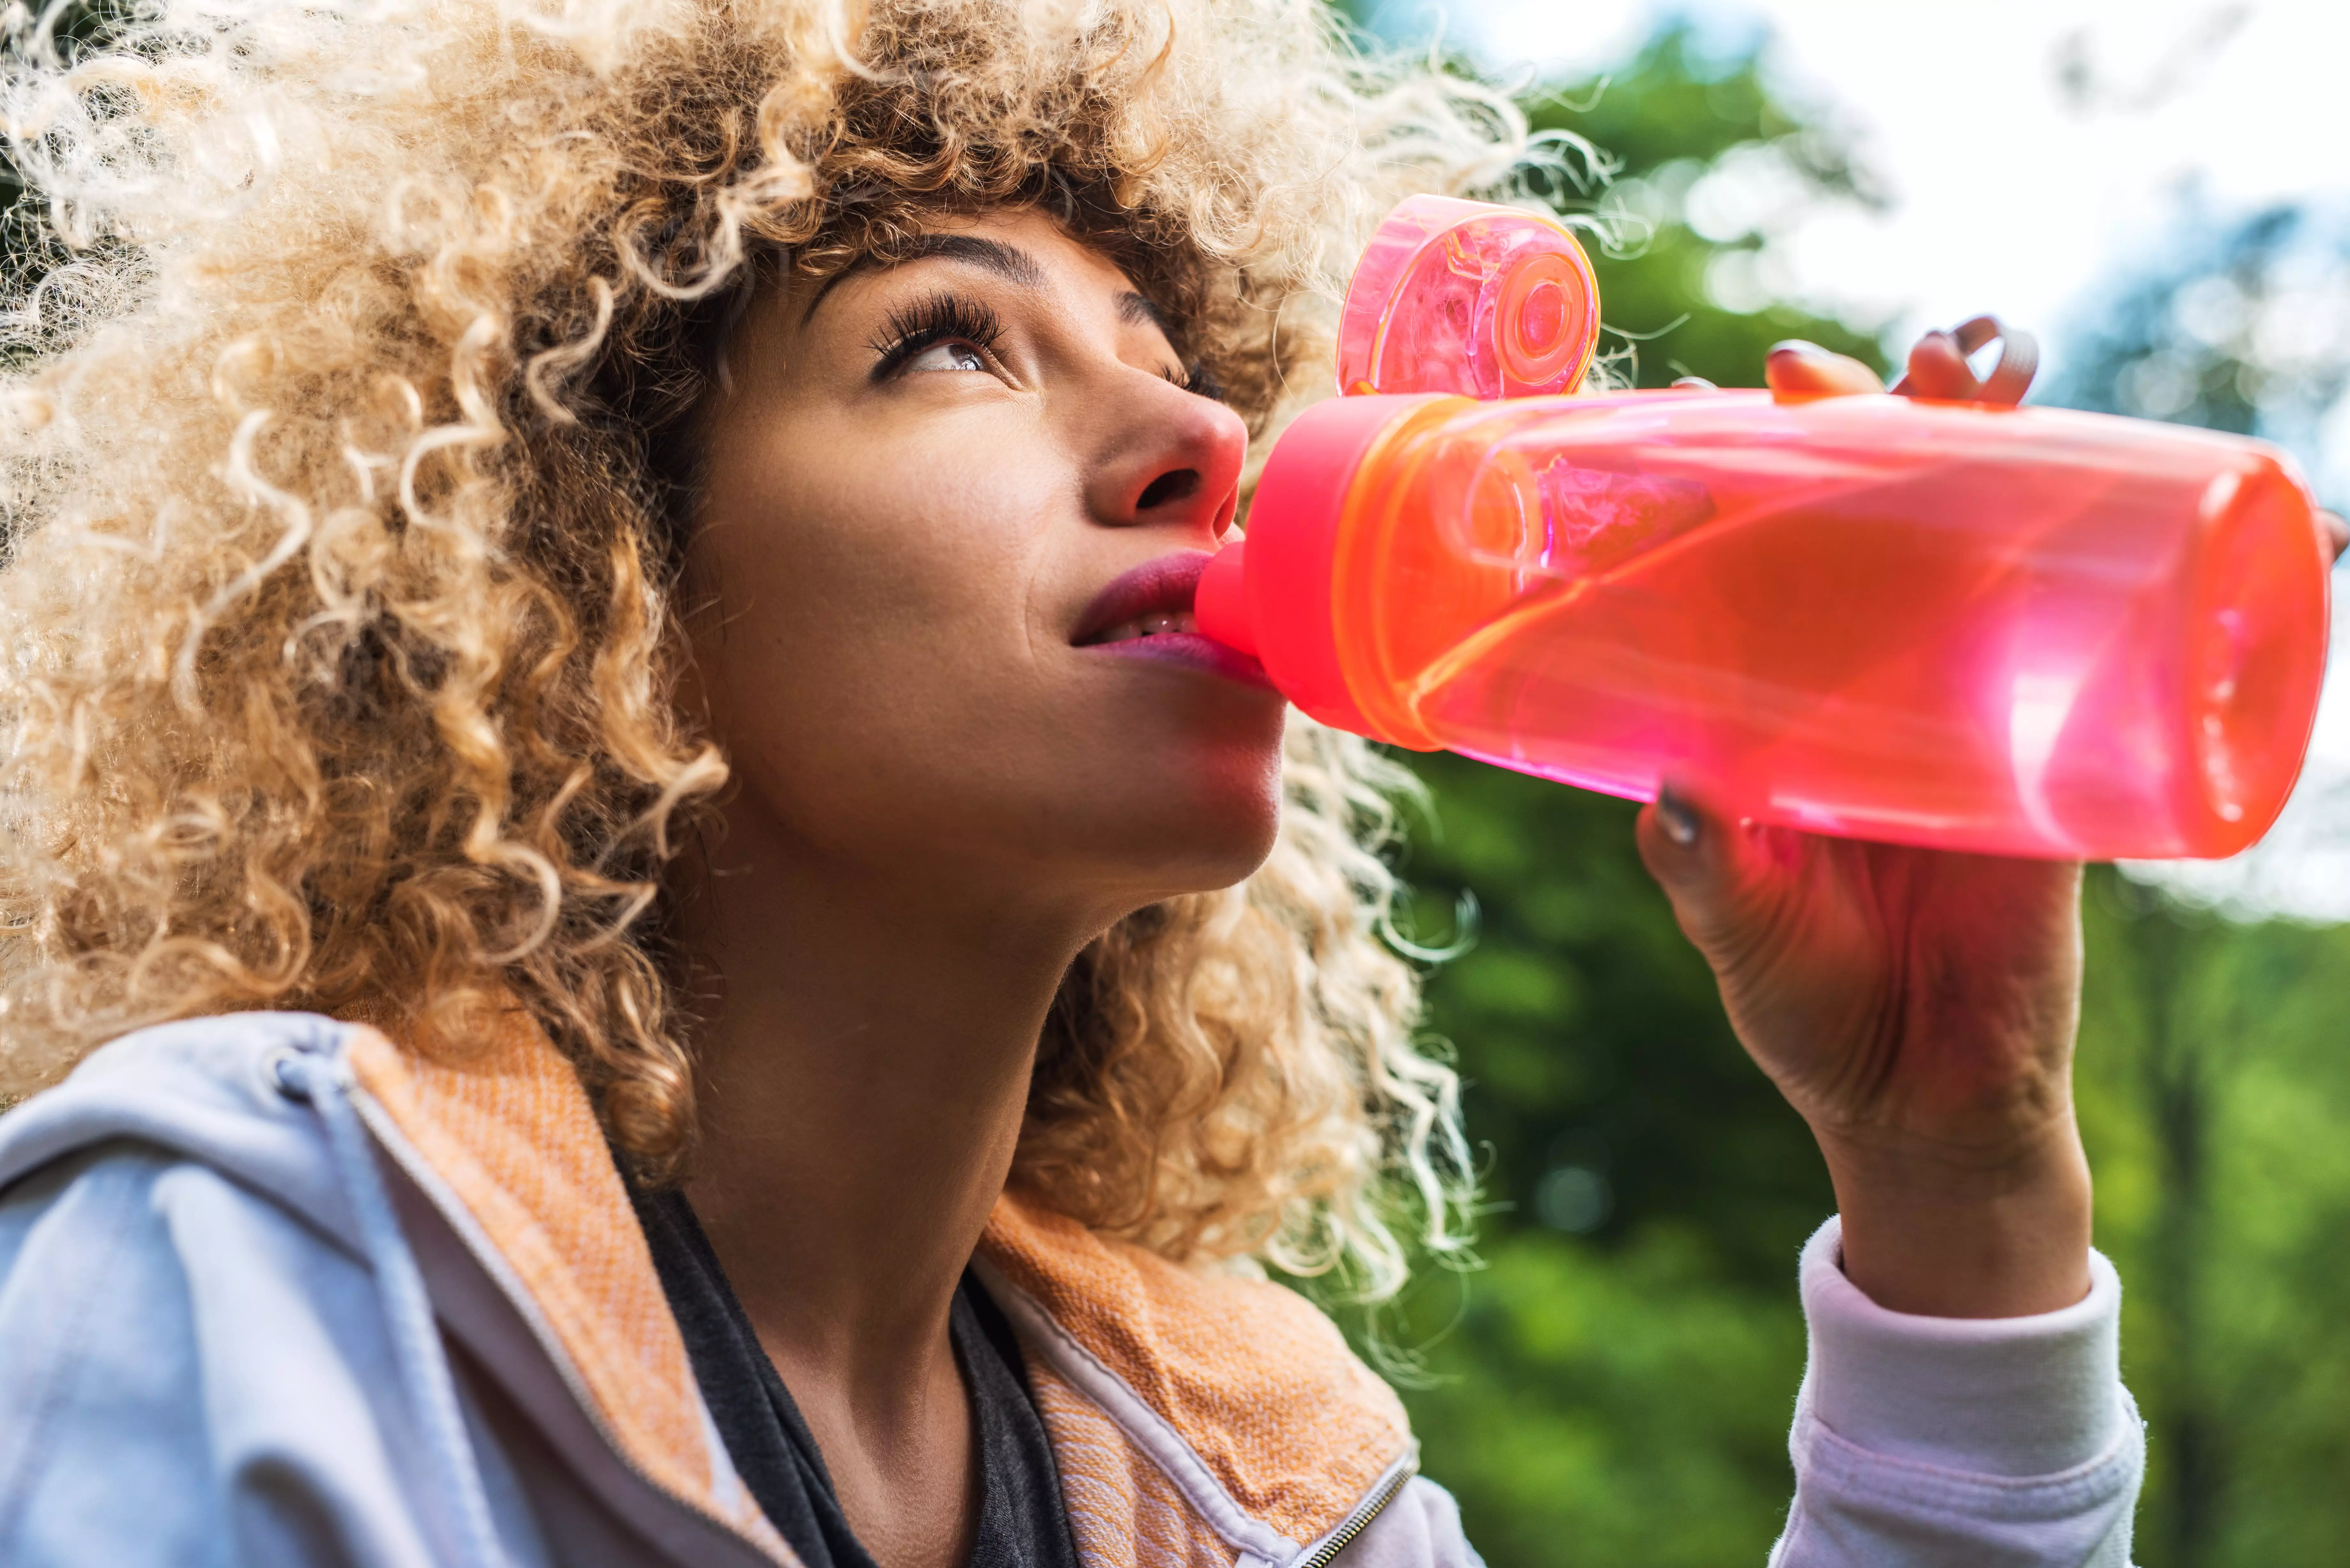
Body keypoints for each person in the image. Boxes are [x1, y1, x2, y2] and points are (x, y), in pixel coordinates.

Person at [0, 0, 2152, 1563]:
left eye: (1180, 353)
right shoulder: (261, 1274)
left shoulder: (1257, 1487)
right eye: (948, 338)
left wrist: (1956, 1179)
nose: (1205, 440)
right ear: (598, 575)